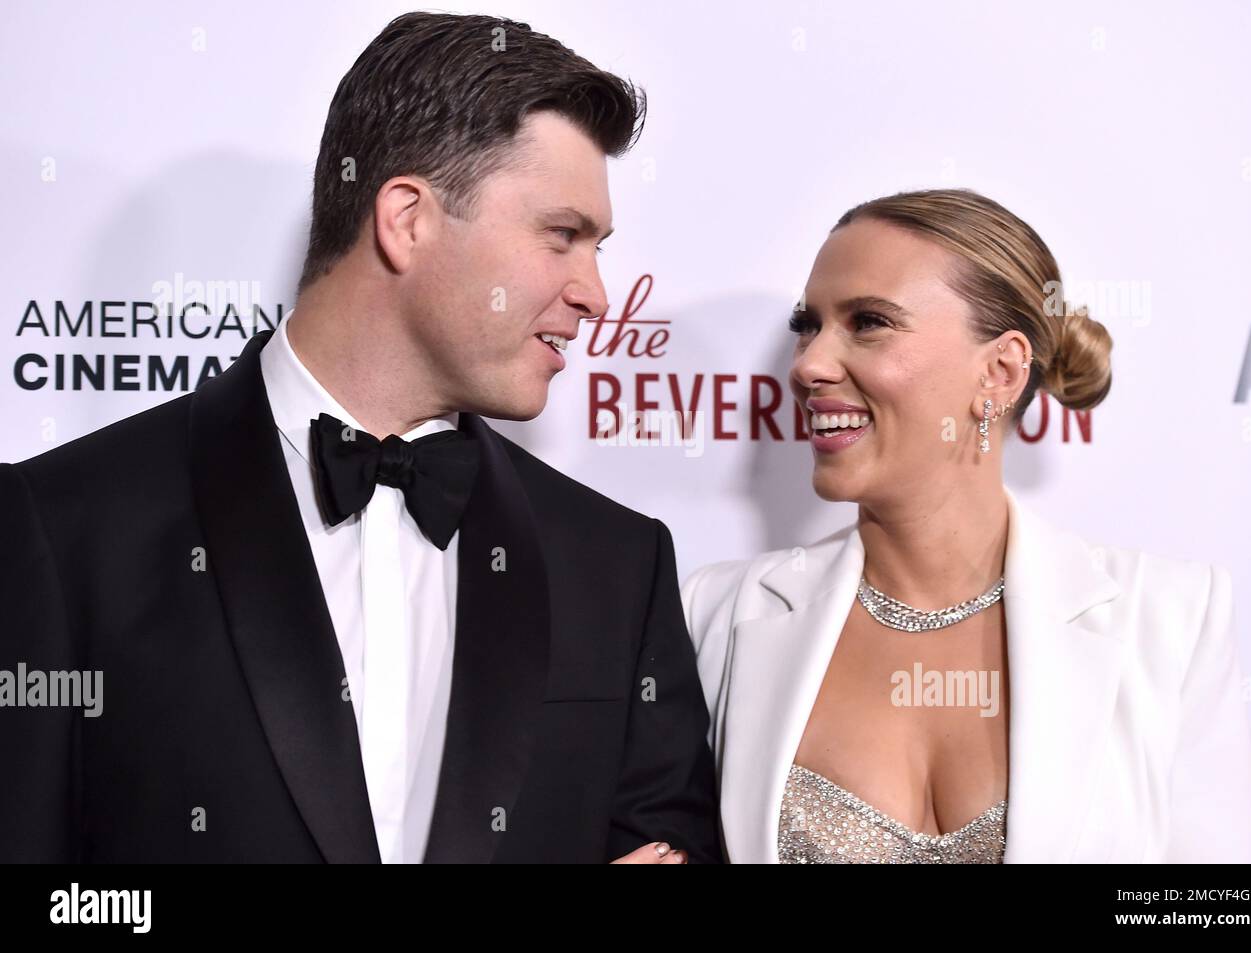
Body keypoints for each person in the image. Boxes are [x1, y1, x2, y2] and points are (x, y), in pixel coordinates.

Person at [0, 12, 718, 865]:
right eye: (562, 236)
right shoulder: (63, 524)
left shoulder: (616, 563)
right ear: (407, 219)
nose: (597, 294)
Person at [682, 188, 1251, 863]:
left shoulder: (1170, 619)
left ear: (1001, 370)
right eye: (807, 325)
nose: (808, 364)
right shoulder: (716, 614)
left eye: (868, 322)